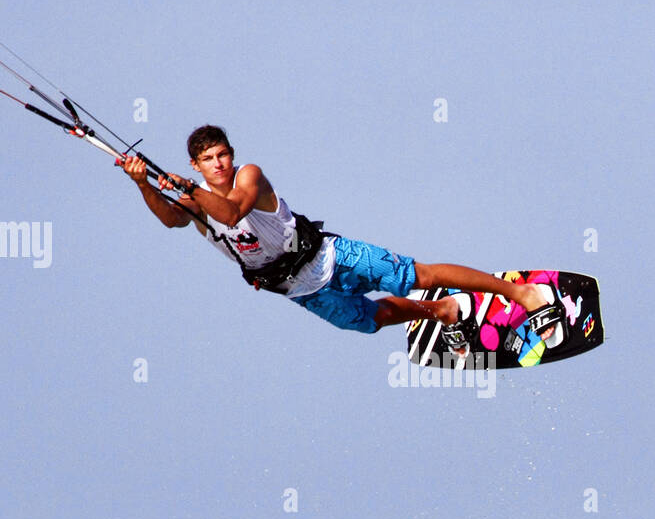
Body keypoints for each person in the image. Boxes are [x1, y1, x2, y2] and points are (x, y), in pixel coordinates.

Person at [122, 124, 564, 355]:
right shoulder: (194, 205)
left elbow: (234, 210)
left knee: (418, 274)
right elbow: (171, 220)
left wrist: (188, 189)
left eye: (222, 155)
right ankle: (445, 311)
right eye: (207, 160)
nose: (218, 164)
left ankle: (518, 293)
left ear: (231, 155)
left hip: (334, 256)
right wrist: (144, 184)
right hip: (302, 291)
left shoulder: (248, 177)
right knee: (373, 320)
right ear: (195, 164)